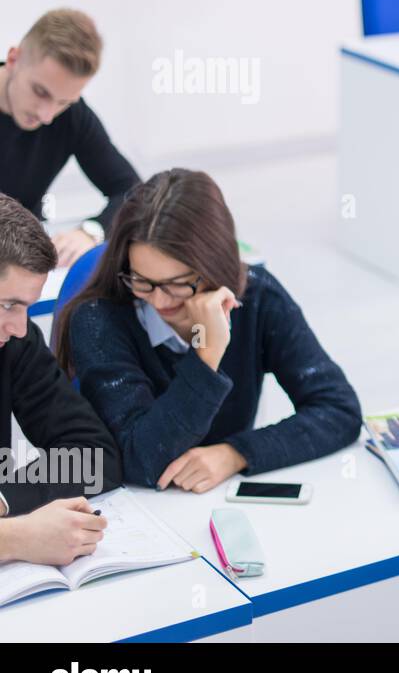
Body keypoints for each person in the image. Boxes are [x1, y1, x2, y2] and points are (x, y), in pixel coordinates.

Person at [54, 169, 362, 492]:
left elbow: (339, 409)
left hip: (218, 500)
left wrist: (235, 454)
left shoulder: (256, 297)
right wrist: (206, 355)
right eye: (142, 281)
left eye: (177, 284)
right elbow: (141, 460)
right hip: (136, 511)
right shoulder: (99, 319)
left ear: (214, 264)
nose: (159, 300)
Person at [0, 193, 122, 566]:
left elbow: (96, 457)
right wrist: (16, 539)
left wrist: (6, 499)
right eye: (8, 305)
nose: (21, 326)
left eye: (27, 306)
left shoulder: (13, 342)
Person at [0, 9, 141, 268]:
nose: (47, 115)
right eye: (40, 91)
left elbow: (133, 191)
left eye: (64, 101)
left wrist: (91, 231)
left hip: (18, 268)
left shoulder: (72, 117)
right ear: (13, 58)